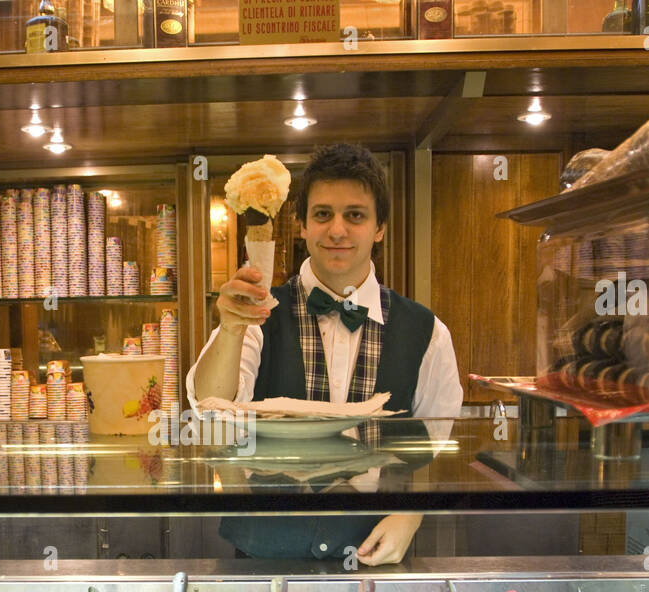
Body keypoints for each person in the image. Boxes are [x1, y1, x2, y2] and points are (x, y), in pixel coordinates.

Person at [187, 143, 462, 564]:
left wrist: (410, 516)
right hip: (265, 550)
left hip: (375, 548)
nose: (337, 230)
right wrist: (229, 328)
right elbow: (210, 407)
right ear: (301, 225)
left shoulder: (427, 332)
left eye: (355, 215)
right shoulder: (260, 315)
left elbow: (434, 445)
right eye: (322, 214)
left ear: (380, 227)